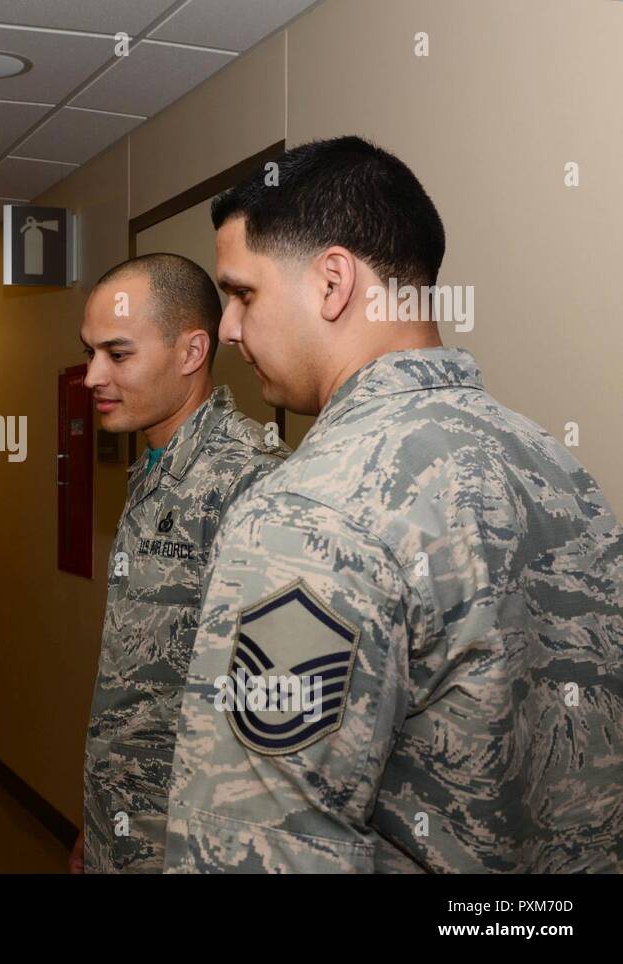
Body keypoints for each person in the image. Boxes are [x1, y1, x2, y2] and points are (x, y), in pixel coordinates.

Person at [164, 136, 623, 873]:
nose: (227, 328)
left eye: (243, 293)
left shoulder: (306, 511)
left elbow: (255, 851)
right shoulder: (556, 468)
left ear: (332, 282)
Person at [74, 253, 288, 873]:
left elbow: (268, 715)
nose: (91, 376)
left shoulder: (250, 482)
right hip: (128, 824)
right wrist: (102, 822)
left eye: (117, 355)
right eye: (90, 352)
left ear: (192, 352)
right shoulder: (155, 469)